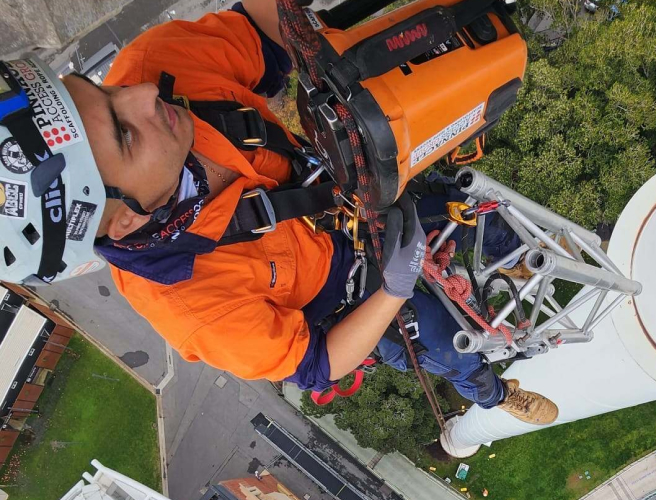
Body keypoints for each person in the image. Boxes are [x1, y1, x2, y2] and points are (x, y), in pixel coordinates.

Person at [0, 0, 557, 425]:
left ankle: (523, 268)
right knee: (443, 338)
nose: (142, 94)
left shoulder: (160, 68)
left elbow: (269, 28)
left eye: (99, 93)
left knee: (493, 221)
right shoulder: (191, 305)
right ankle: (495, 394)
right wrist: (393, 287)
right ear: (120, 221)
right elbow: (319, 364)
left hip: (353, 181)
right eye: (124, 135)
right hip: (358, 290)